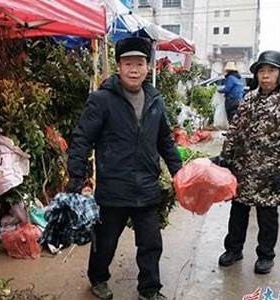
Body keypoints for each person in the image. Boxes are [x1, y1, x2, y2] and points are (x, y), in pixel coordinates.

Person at [67, 37, 182, 300]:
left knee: (151, 243)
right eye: (128, 63)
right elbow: (82, 137)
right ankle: (98, 279)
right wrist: (76, 174)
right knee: (106, 241)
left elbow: (164, 139)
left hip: (147, 186)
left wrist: (179, 172)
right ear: (118, 66)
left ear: (147, 67)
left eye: (139, 63)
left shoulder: (155, 99)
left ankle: (150, 289)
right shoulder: (102, 100)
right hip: (113, 188)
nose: (134, 69)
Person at [211, 50, 280, 274]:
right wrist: (226, 156)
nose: (265, 75)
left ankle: (265, 255)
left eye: (271, 70)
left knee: (267, 216)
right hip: (244, 169)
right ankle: (234, 250)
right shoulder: (249, 98)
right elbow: (235, 130)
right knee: (238, 212)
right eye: (261, 71)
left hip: (271, 172)